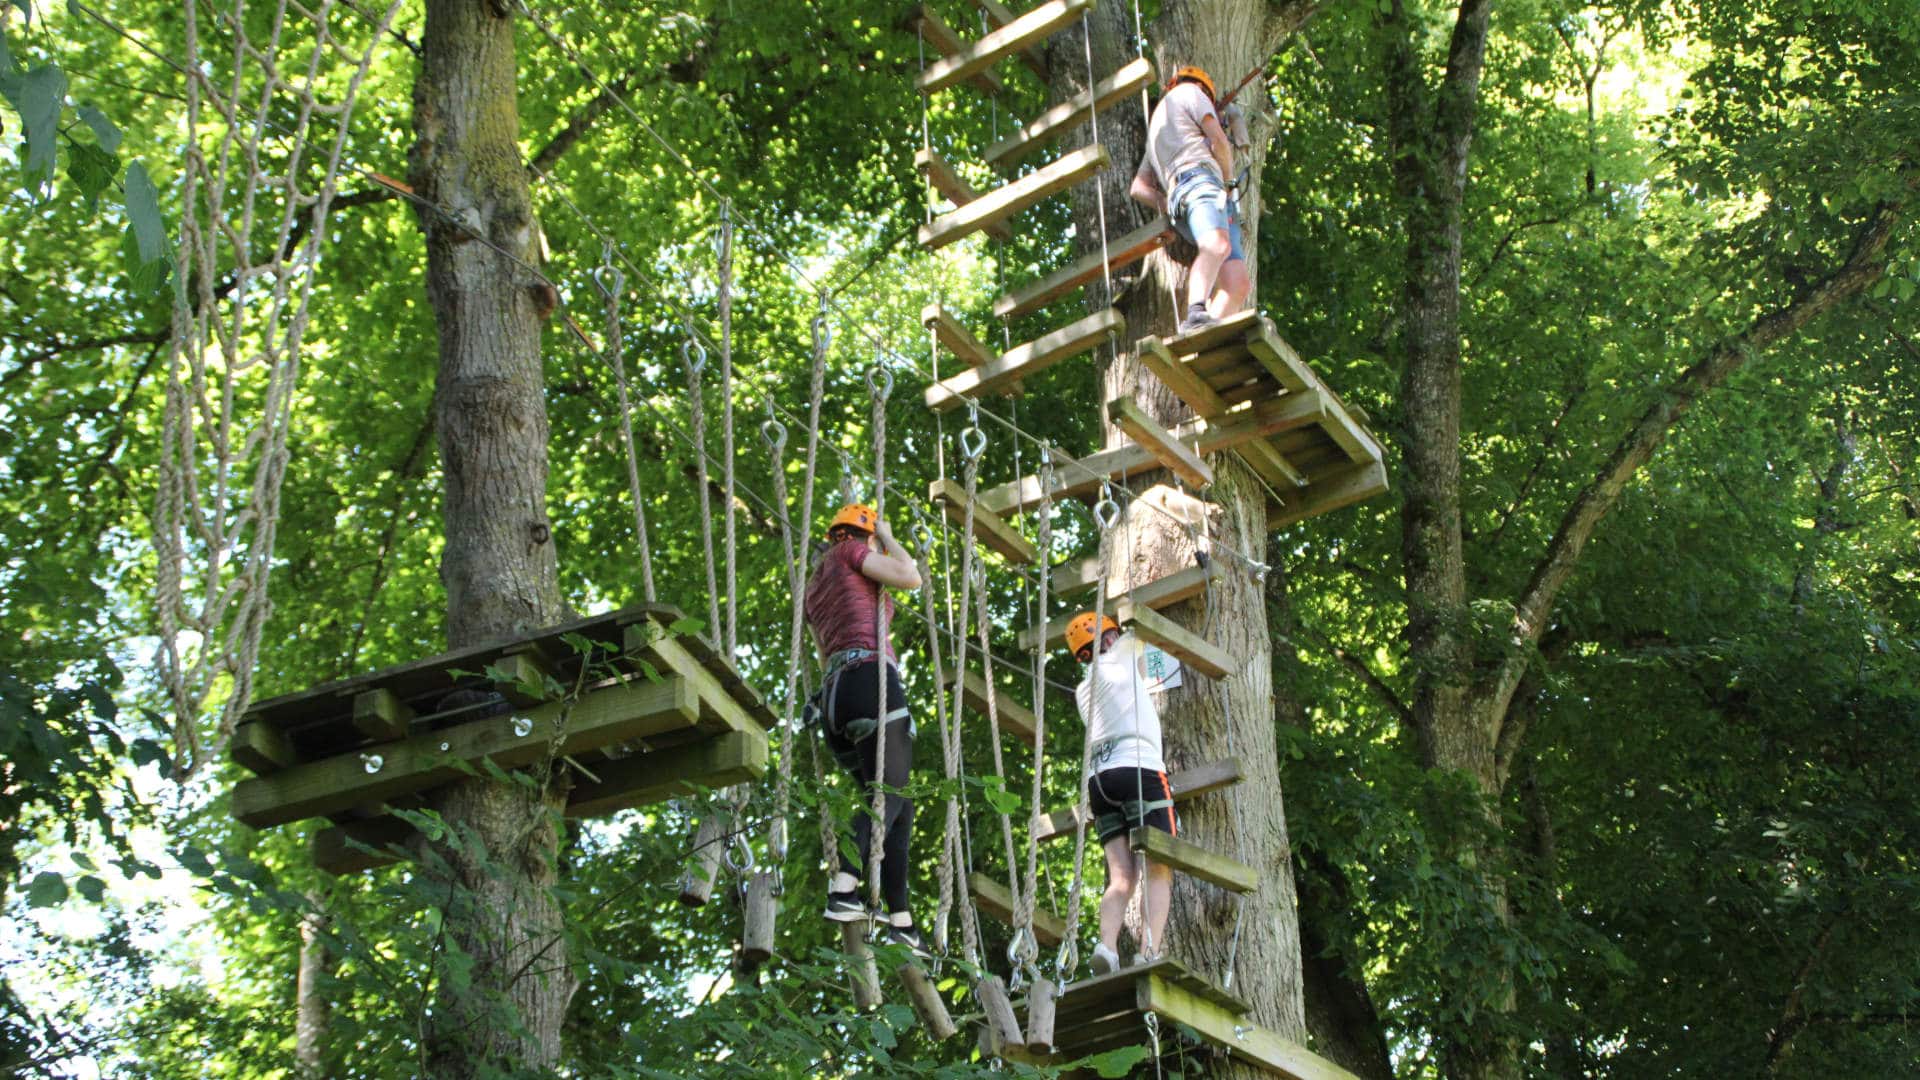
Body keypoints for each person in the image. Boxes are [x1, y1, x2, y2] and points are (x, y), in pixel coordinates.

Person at [802, 502, 928, 955]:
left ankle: (902, 919)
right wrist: (889, 536)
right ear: (861, 536)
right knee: (888, 793)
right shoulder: (851, 553)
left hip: (836, 697)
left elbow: (820, 652)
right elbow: (910, 576)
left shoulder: (815, 585)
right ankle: (843, 888)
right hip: (869, 680)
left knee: (897, 804)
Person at [1067, 611, 1176, 975]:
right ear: (1110, 638)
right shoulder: (1122, 657)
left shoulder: (1083, 690)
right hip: (1138, 769)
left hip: (1099, 782)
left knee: (1121, 877)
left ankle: (1107, 947)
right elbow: (1150, 633)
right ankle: (1149, 952)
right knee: (1159, 867)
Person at [1128, 65, 1250, 335]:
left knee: (1237, 283)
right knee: (1216, 245)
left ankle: (1206, 332)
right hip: (1203, 183)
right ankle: (1196, 314)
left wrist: (1169, 203)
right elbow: (1219, 141)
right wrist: (1228, 183)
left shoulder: (1156, 132)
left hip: (1184, 196)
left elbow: (1138, 188)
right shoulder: (1191, 92)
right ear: (1204, 88)